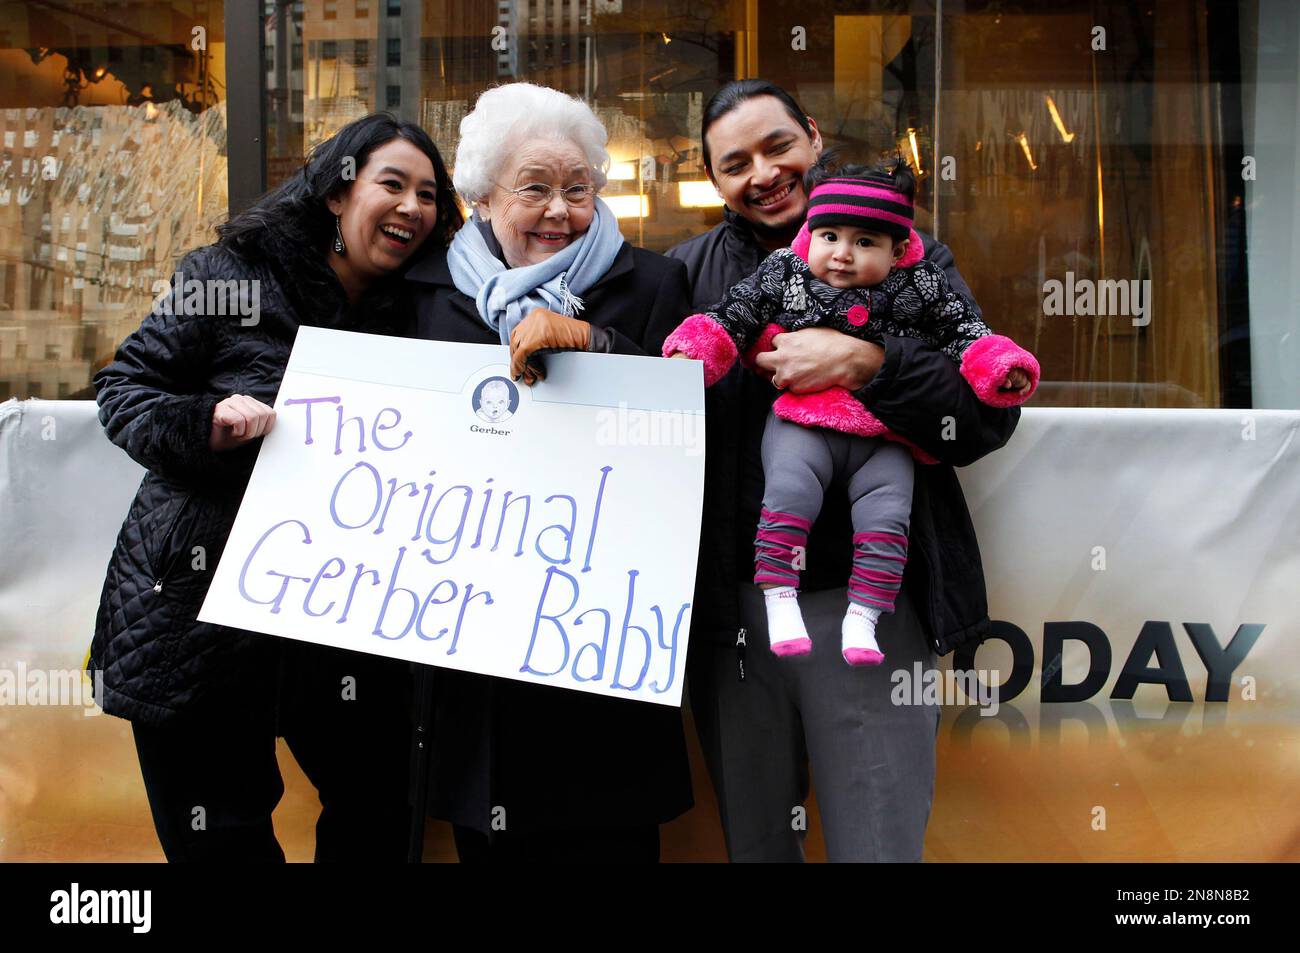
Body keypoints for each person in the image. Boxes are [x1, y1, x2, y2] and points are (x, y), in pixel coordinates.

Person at [89, 113, 461, 861]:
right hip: (194, 616)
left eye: (428, 193)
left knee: (382, 808)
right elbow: (124, 390)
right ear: (336, 191)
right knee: (219, 832)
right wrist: (205, 421)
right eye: (392, 183)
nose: (412, 207)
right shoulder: (225, 275)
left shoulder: (429, 310)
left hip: (351, 618)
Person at [668, 79, 1023, 862]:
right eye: (735, 163)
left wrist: (872, 363)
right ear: (714, 179)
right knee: (758, 846)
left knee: (878, 843)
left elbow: (988, 414)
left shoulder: (911, 259)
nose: (762, 173)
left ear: (814, 137)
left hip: (868, 605)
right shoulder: (688, 273)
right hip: (735, 614)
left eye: (777, 146)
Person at [404, 82, 694, 863]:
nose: (560, 211)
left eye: (578, 188)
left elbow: (695, 416)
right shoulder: (426, 294)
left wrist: (597, 343)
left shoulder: (654, 284)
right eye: (534, 187)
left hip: (604, 644)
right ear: (482, 197)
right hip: (478, 646)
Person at [665, 157, 1039, 664]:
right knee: (788, 497)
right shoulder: (783, 271)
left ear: (899, 248)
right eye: (830, 236)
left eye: (865, 243)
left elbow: (964, 334)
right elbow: (734, 313)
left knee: (887, 522)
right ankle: (779, 597)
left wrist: (999, 367)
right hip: (802, 421)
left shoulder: (925, 283)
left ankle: (864, 617)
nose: (842, 254)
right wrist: (700, 348)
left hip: (882, 438)